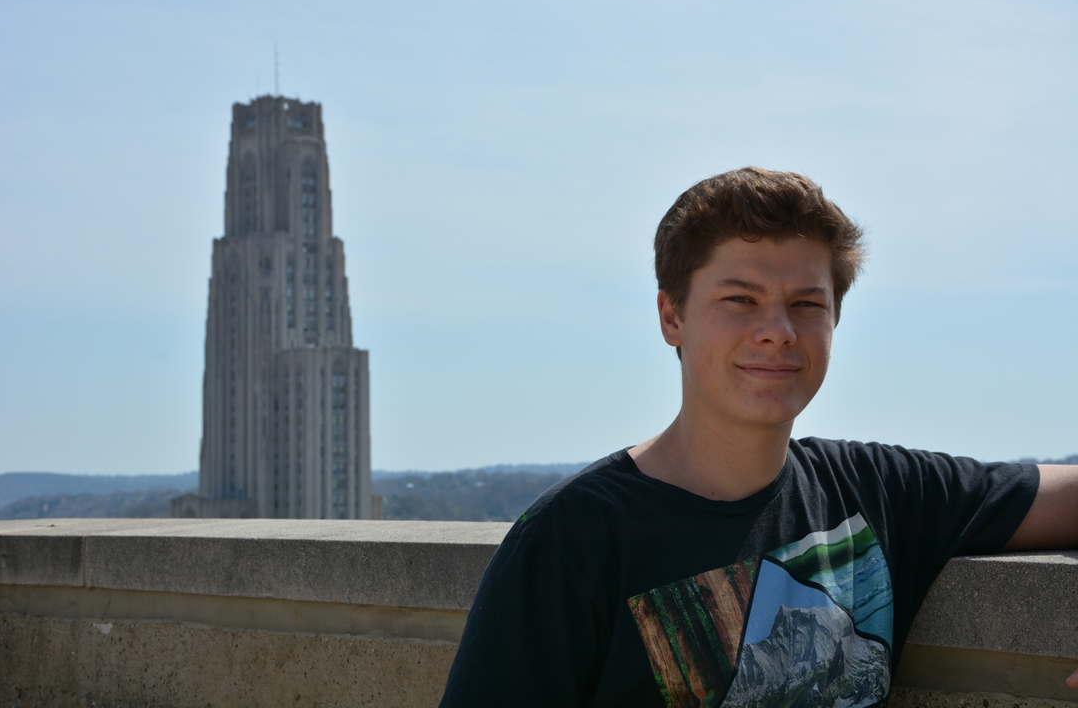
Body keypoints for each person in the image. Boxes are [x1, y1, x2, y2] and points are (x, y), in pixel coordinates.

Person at [438, 167, 1078, 707]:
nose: (778, 330)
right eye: (740, 300)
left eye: (807, 303)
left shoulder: (874, 492)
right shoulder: (570, 541)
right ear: (672, 317)